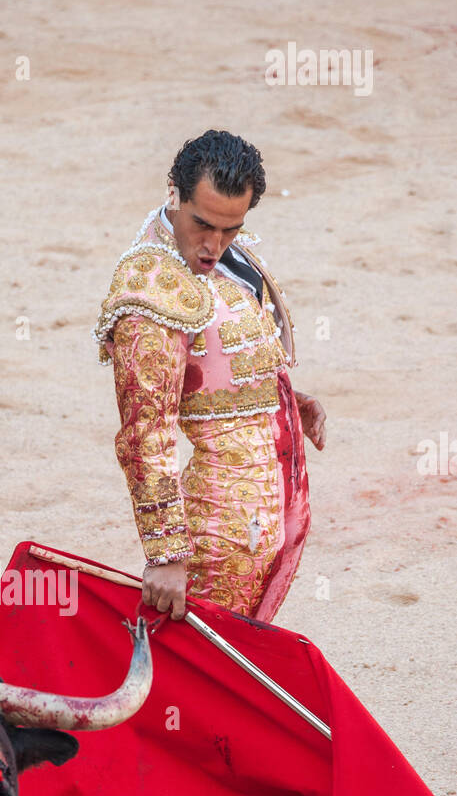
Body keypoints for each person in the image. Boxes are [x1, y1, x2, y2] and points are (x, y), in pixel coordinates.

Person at [94, 130, 326, 622]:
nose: (214, 244)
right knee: (200, 674)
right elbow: (145, 434)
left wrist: (282, 396)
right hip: (218, 530)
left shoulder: (231, 260)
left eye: (231, 229)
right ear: (174, 193)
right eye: (202, 224)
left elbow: (219, 360)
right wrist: (168, 554)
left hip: (264, 514)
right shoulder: (150, 293)